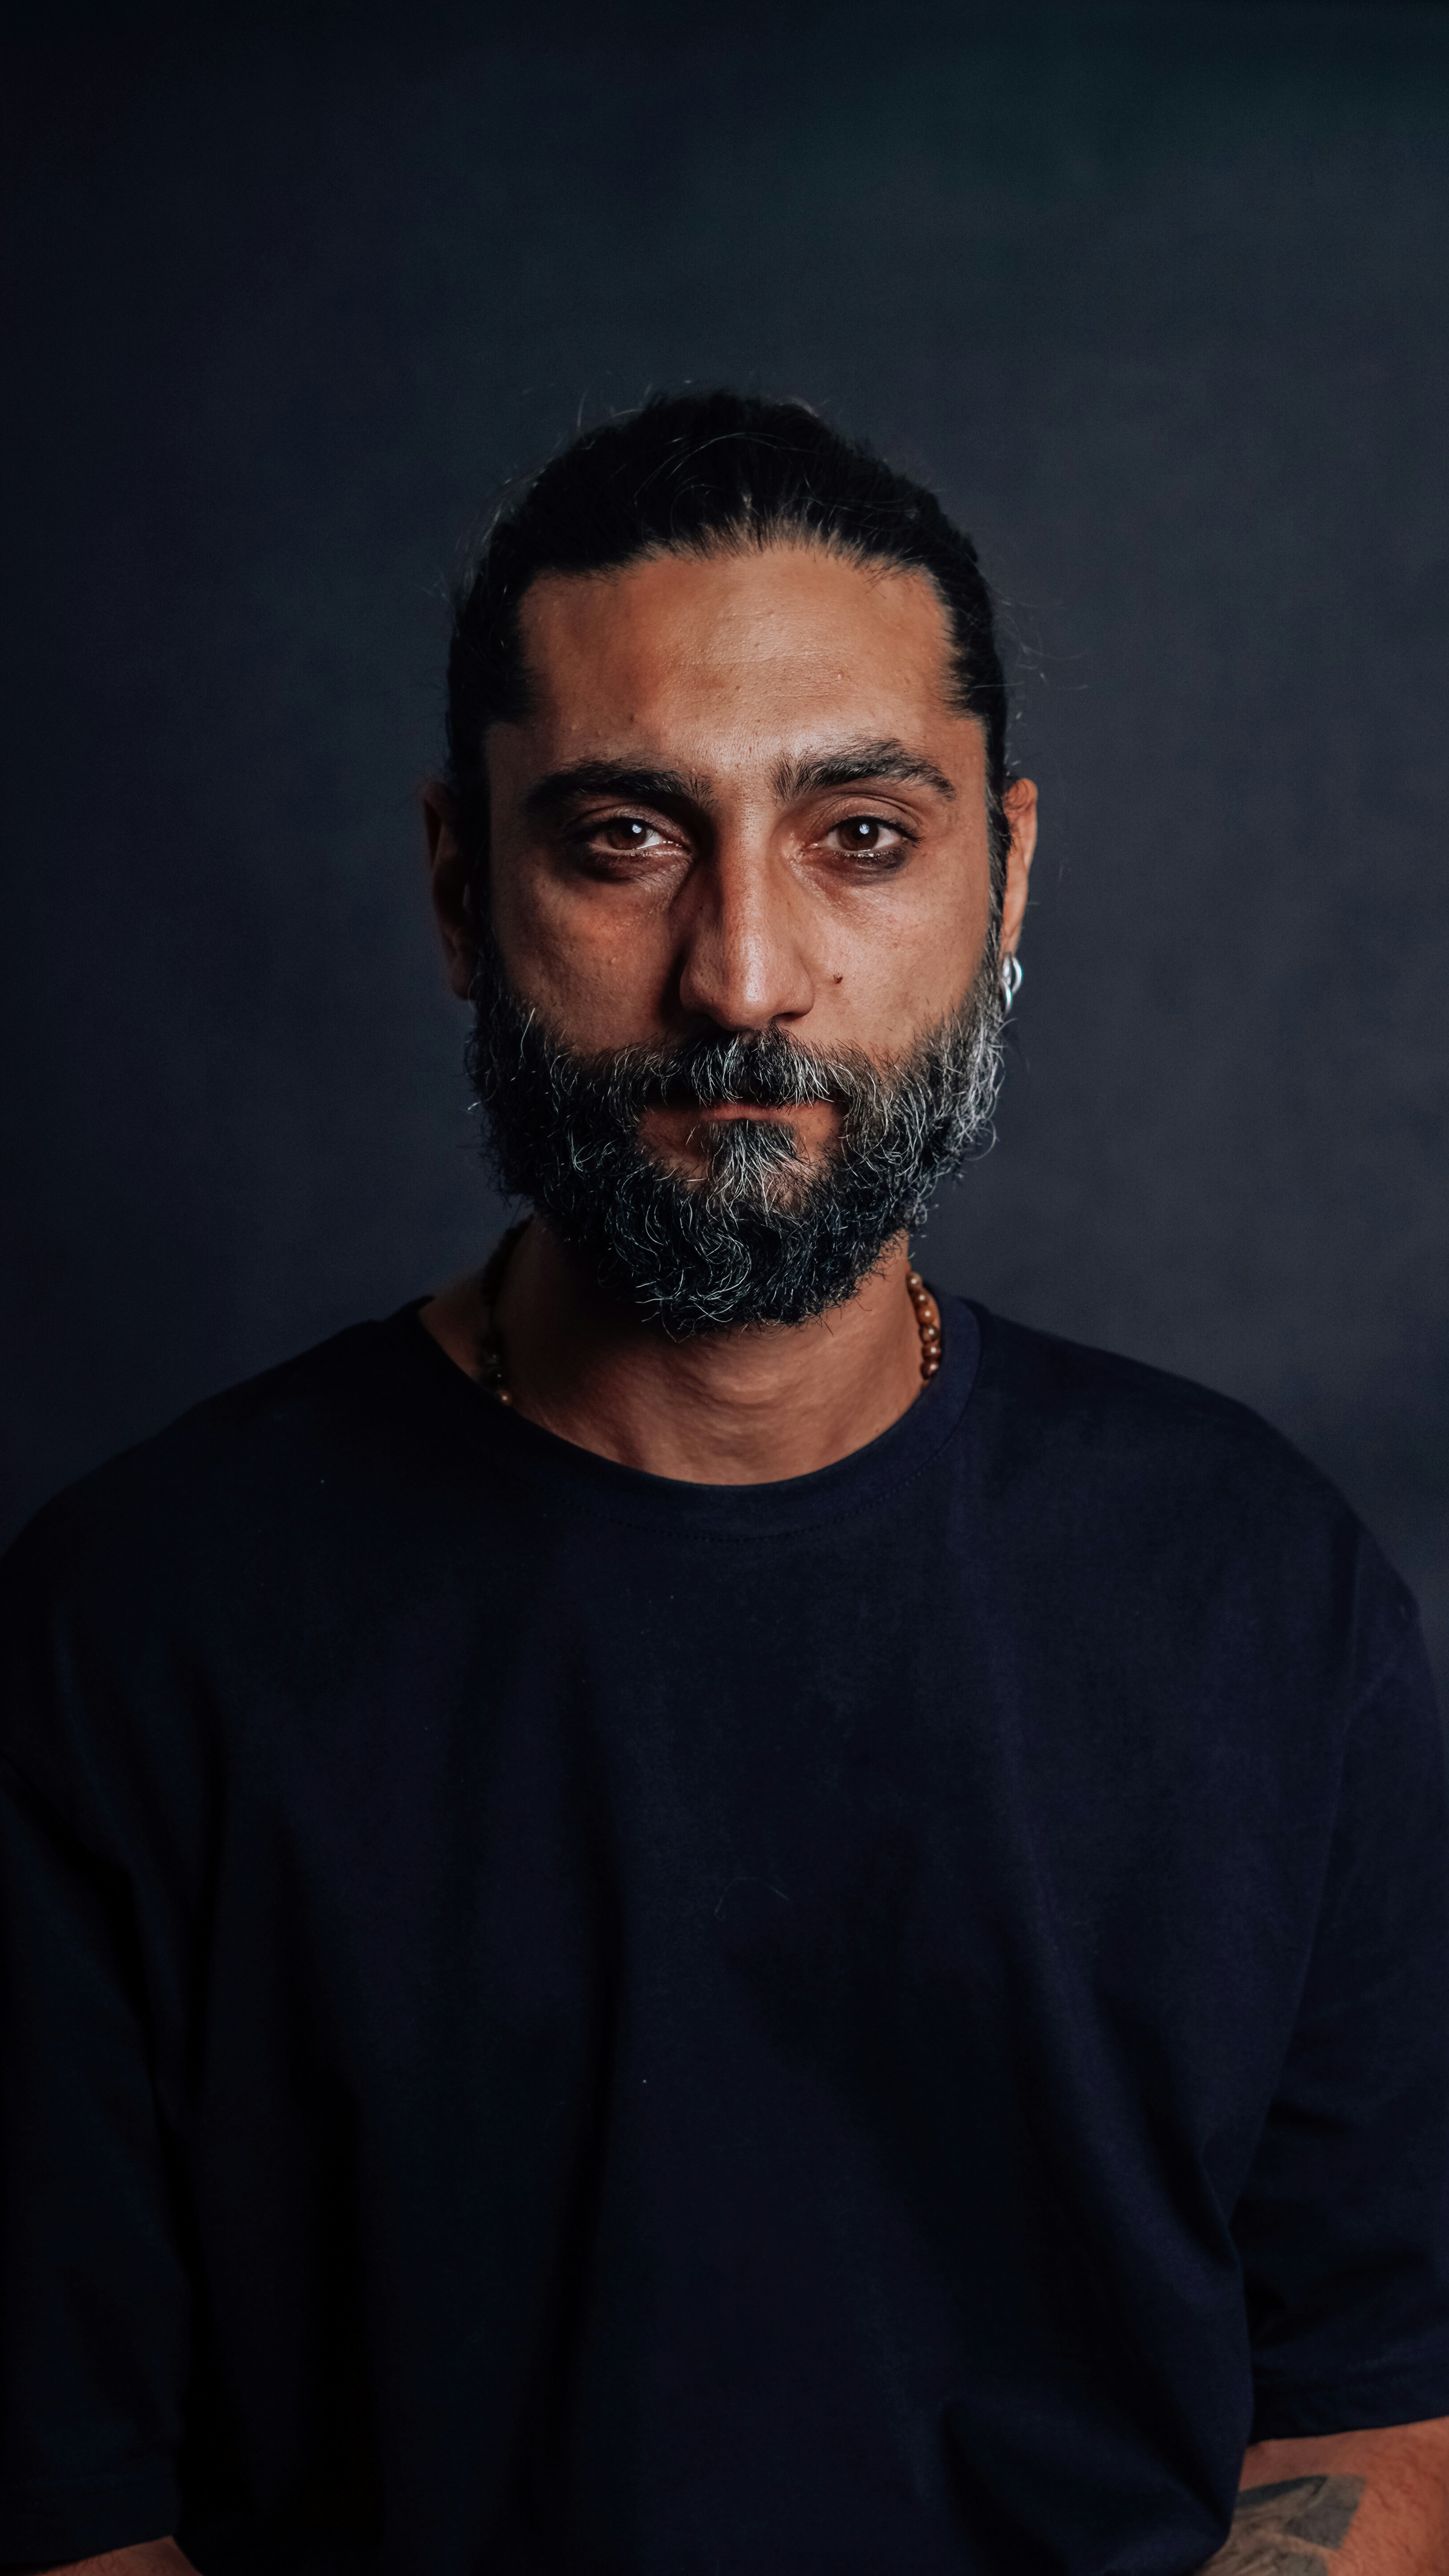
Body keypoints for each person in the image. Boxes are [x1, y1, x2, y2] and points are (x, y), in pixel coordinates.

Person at [1, 391, 1447, 2576]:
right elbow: (66, 2509)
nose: (745, 974)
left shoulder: (1259, 1594)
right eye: (623, 837)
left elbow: (1374, 2415)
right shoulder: (133, 1635)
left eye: (859, 833)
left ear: (1005, 875)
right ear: (461, 890)